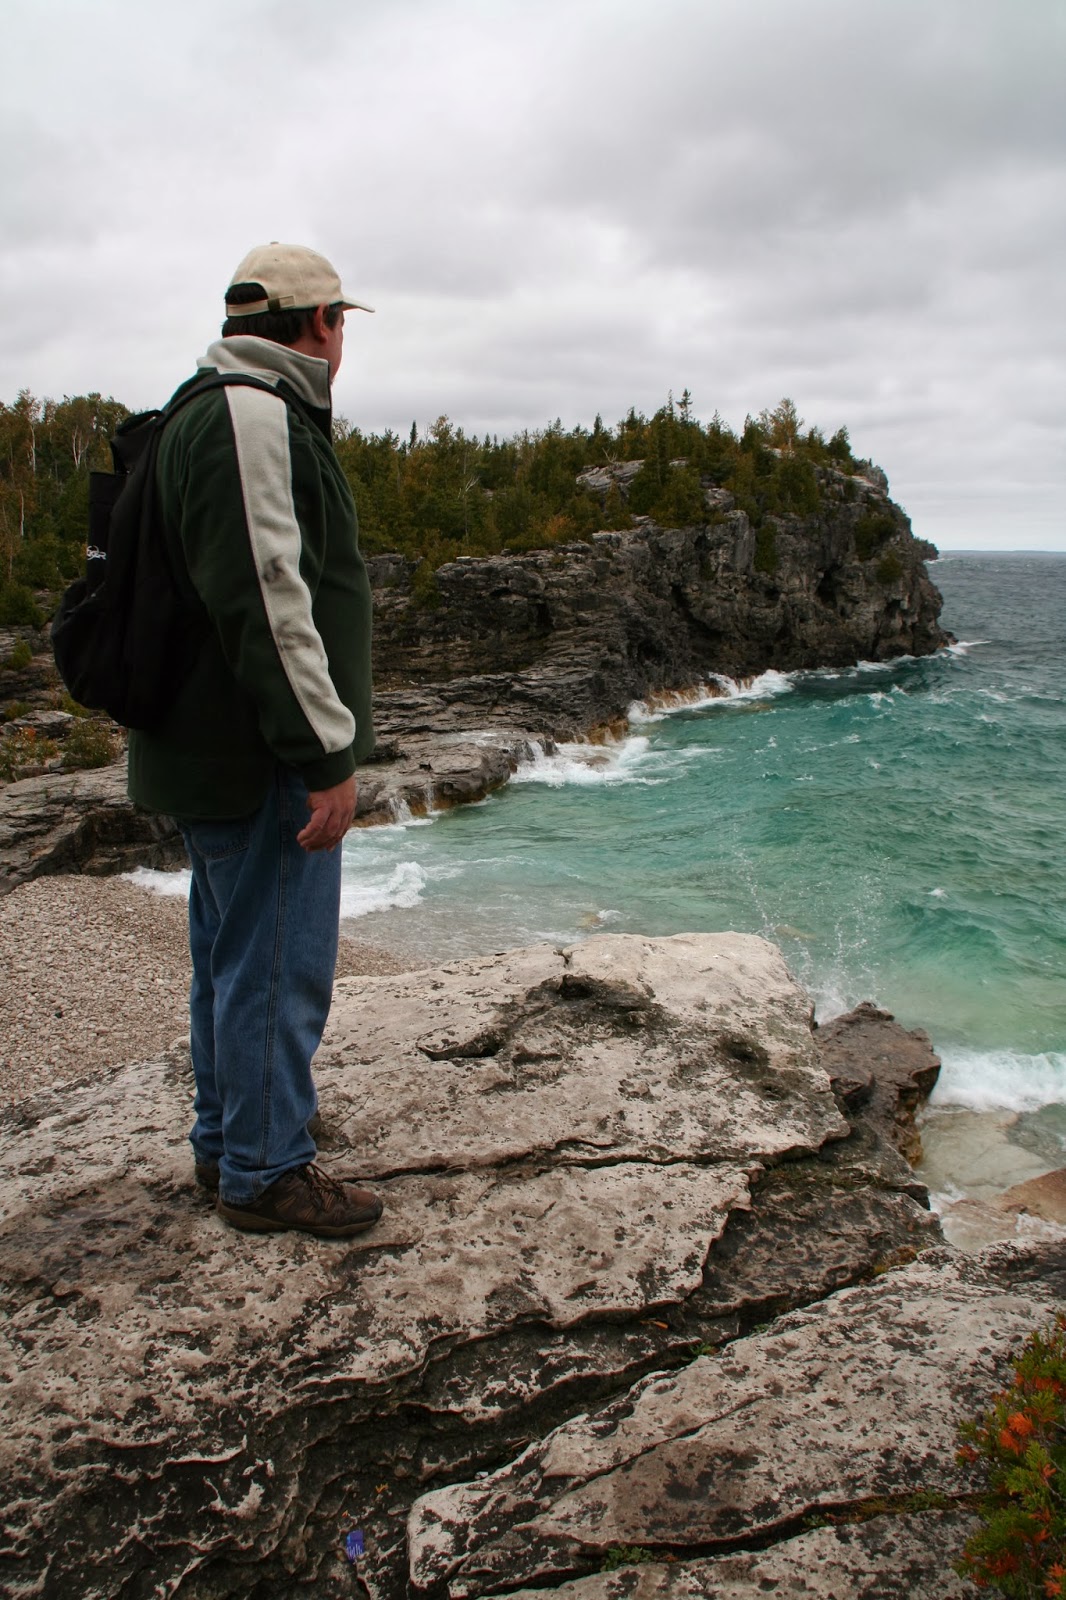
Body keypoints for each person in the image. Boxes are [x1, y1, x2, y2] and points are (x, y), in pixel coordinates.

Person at [127, 243, 382, 1238]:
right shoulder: (249, 413)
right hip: (258, 751)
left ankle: (229, 1137)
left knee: (234, 954)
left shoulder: (212, 402)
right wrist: (324, 755)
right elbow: (270, 599)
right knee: (276, 960)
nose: (343, 340)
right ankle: (267, 1169)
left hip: (214, 743)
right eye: (341, 323)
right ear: (317, 324)